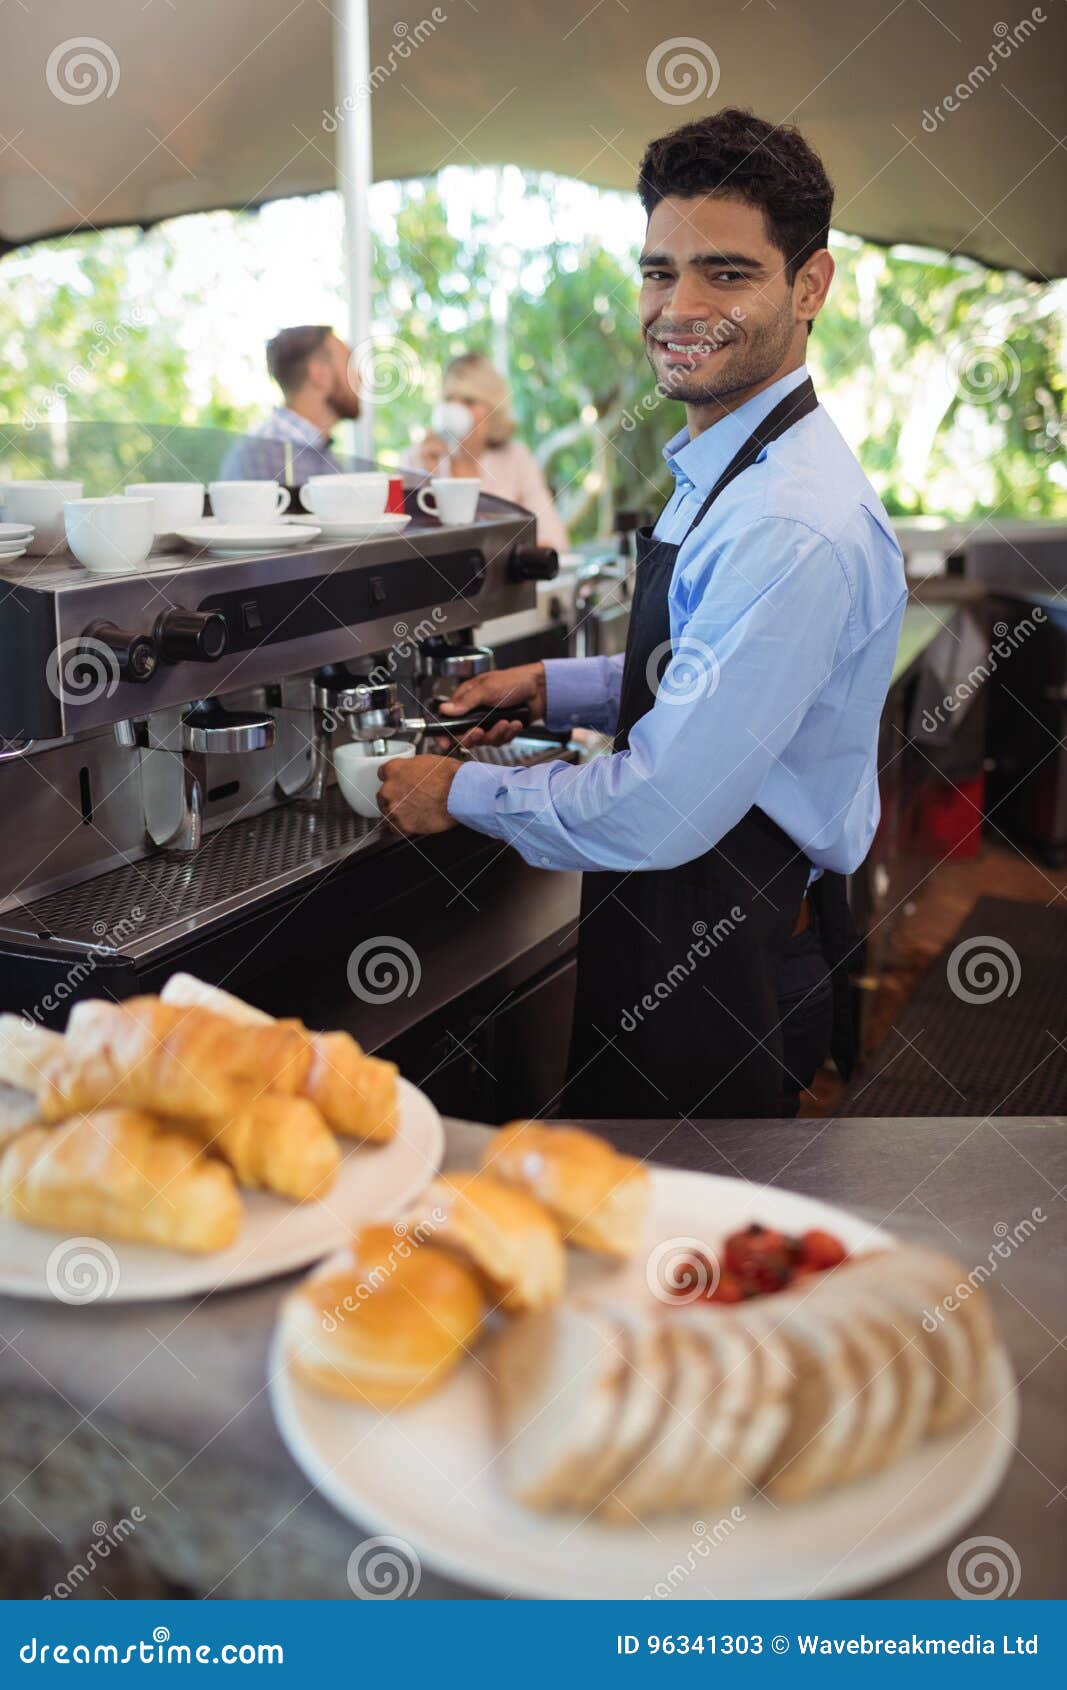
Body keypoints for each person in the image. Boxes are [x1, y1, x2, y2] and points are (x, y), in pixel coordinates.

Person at [377, 108, 907, 1121]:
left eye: (726, 273)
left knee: (678, 1256)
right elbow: (707, 661)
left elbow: (660, 806)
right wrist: (553, 684)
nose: (679, 307)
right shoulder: (730, 460)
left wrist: (459, 793)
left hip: (727, 948)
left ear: (809, 285)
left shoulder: (786, 518)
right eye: (659, 272)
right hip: (693, 917)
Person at [407, 353, 568, 552]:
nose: (457, 410)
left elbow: (554, 540)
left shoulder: (516, 458)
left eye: (468, 401)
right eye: (449, 400)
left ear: (492, 408)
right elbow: (408, 549)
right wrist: (426, 478)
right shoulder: (416, 460)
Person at [219, 325, 362, 483]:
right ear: (319, 374)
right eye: (349, 366)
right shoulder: (258, 456)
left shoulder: (323, 455)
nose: (360, 378)